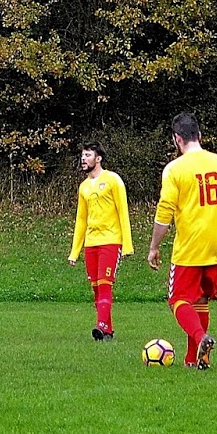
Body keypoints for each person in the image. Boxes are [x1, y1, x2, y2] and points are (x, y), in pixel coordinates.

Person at [146, 113, 217, 369]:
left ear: (177, 139)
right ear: (199, 135)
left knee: (177, 299)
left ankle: (201, 338)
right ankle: (193, 359)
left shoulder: (175, 169)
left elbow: (165, 211)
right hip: (214, 246)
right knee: (200, 300)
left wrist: (154, 246)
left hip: (189, 247)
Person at [67, 140, 133, 341]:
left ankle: (101, 325)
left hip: (110, 241)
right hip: (91, 244)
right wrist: (74, 251)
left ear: (99, 158)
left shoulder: (113, 180)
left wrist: (127, 244)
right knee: (96, 288)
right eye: (82, 155)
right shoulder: (84, 187)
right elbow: (81, 220)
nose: (83, 159)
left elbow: (123, 211)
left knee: (105, 285)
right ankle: (108, 330)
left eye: (87, 155)